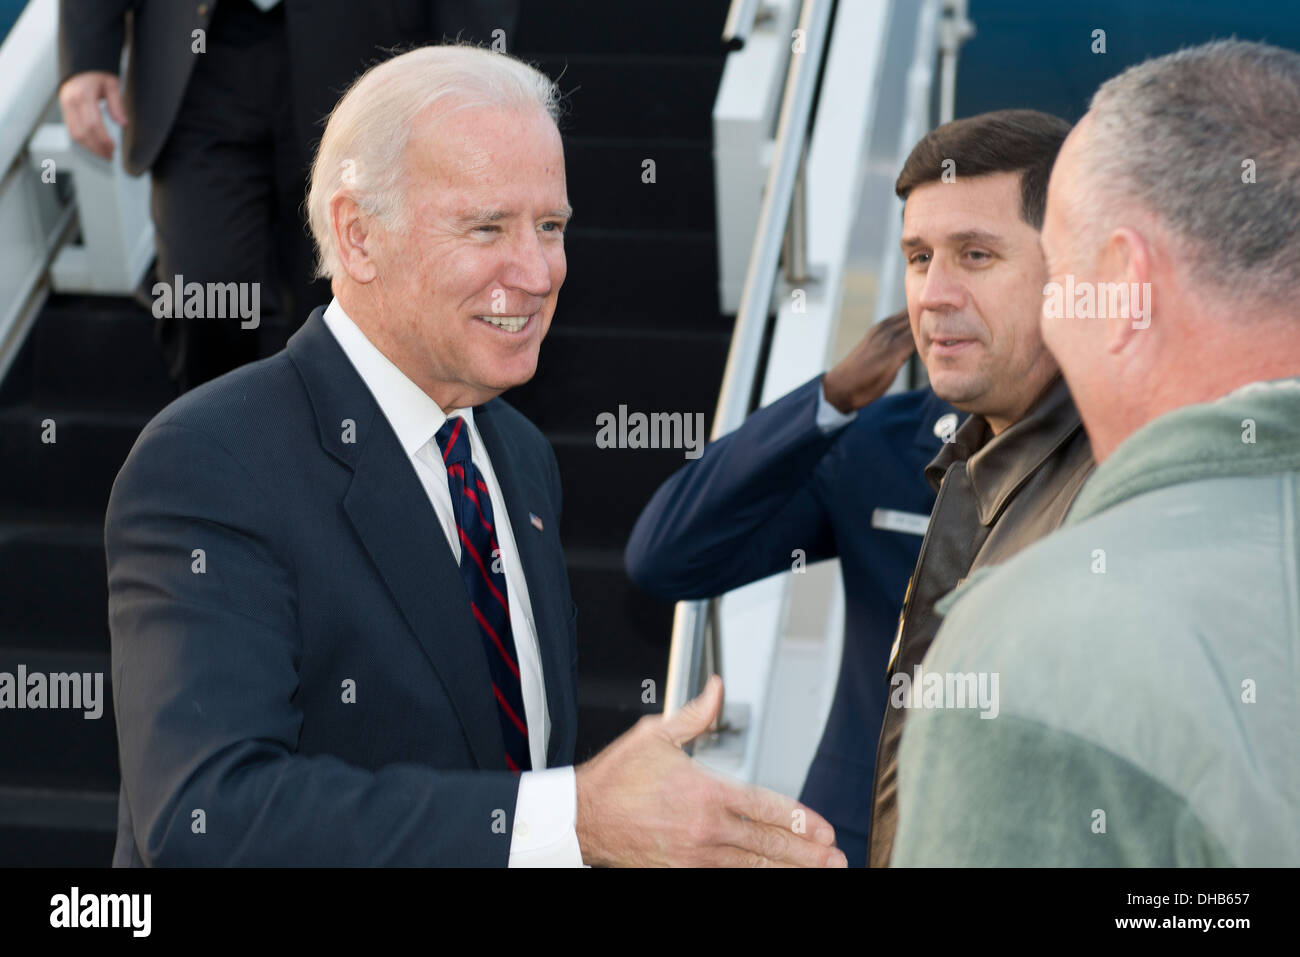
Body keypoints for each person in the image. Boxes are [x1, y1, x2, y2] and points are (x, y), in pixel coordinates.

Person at [104, 44, 846, 867]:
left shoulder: (518, 455)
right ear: (357, 236)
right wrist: (571, 817)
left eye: (552, 226)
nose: (535, 272)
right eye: (486, 226)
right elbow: (210, 817)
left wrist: (594, 819)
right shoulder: (210, 461)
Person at [625, 109, 1096, 867]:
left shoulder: (1133, 462)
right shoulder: (880, 443)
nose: (935, 293)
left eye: (975, 254)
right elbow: (667, 556)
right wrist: (831, 400)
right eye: (917, 257)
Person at [892, 39, 1300, 867]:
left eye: (1062, 271)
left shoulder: (1039, 646)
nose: (935, 293)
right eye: (916, 259)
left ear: (1119, 285)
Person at [58, 0, 517, 391]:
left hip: (363, 55)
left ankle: (336, 471)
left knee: (349, 301)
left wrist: (470, 65)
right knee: (202, 290)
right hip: (202, 57)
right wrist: (86, 51)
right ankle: (213, 458)